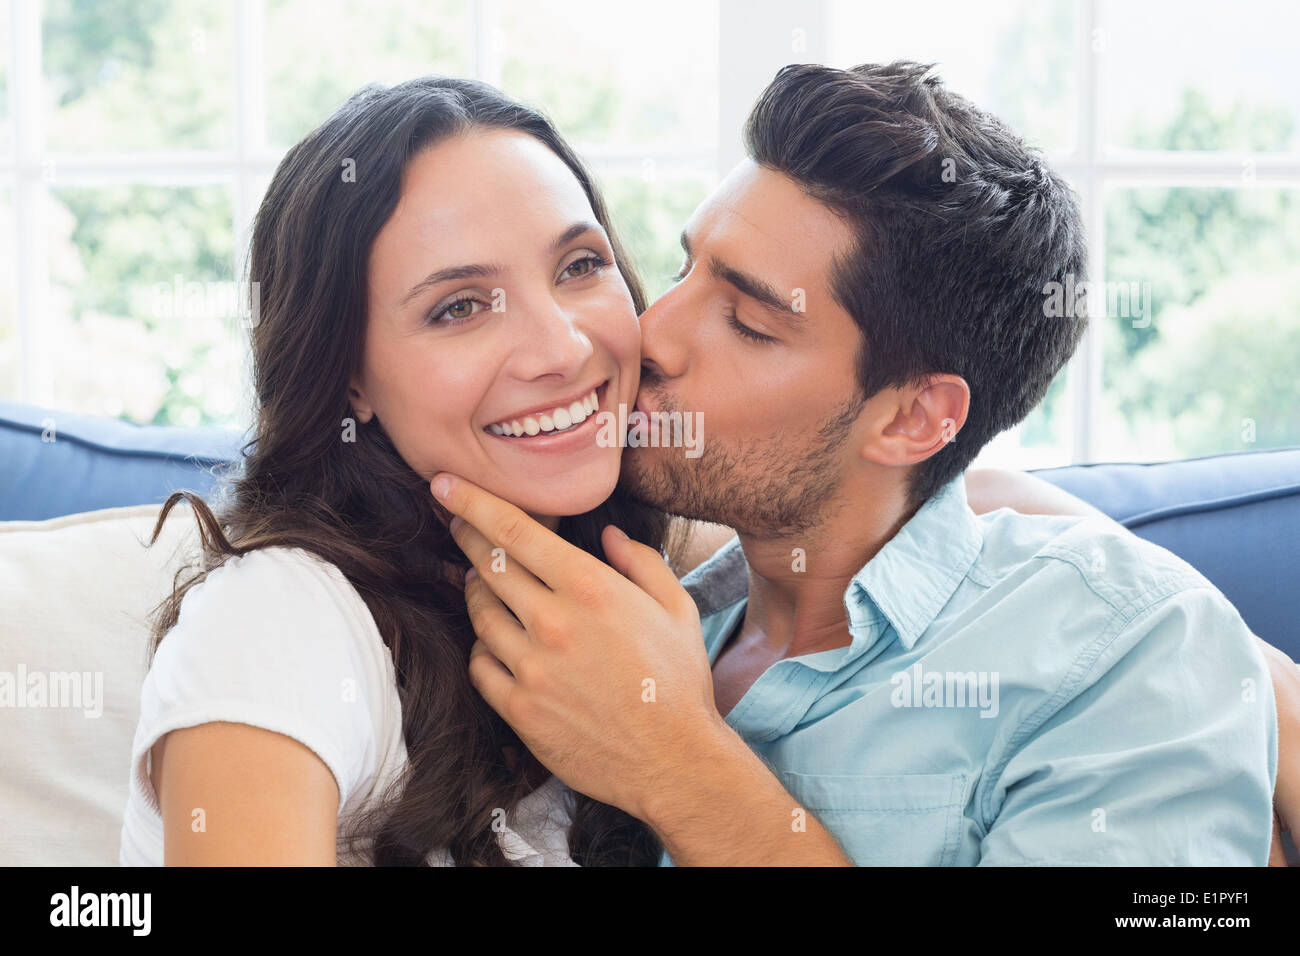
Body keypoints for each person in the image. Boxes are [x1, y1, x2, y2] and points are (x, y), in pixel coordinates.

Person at [119, 72, 1096, 866]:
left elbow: (917, 497)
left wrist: (1240, 669)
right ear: (349, 378)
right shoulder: (283, 618)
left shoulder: (643, 553)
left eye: (579, 266)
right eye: (459, 306)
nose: (565, 346)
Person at [434, 62, 1291, 865]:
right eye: (684, 268)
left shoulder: (1125, 653)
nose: (647, 335)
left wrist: (678, 767)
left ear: (915, 418)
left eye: (749, 323)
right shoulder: (623, 620)